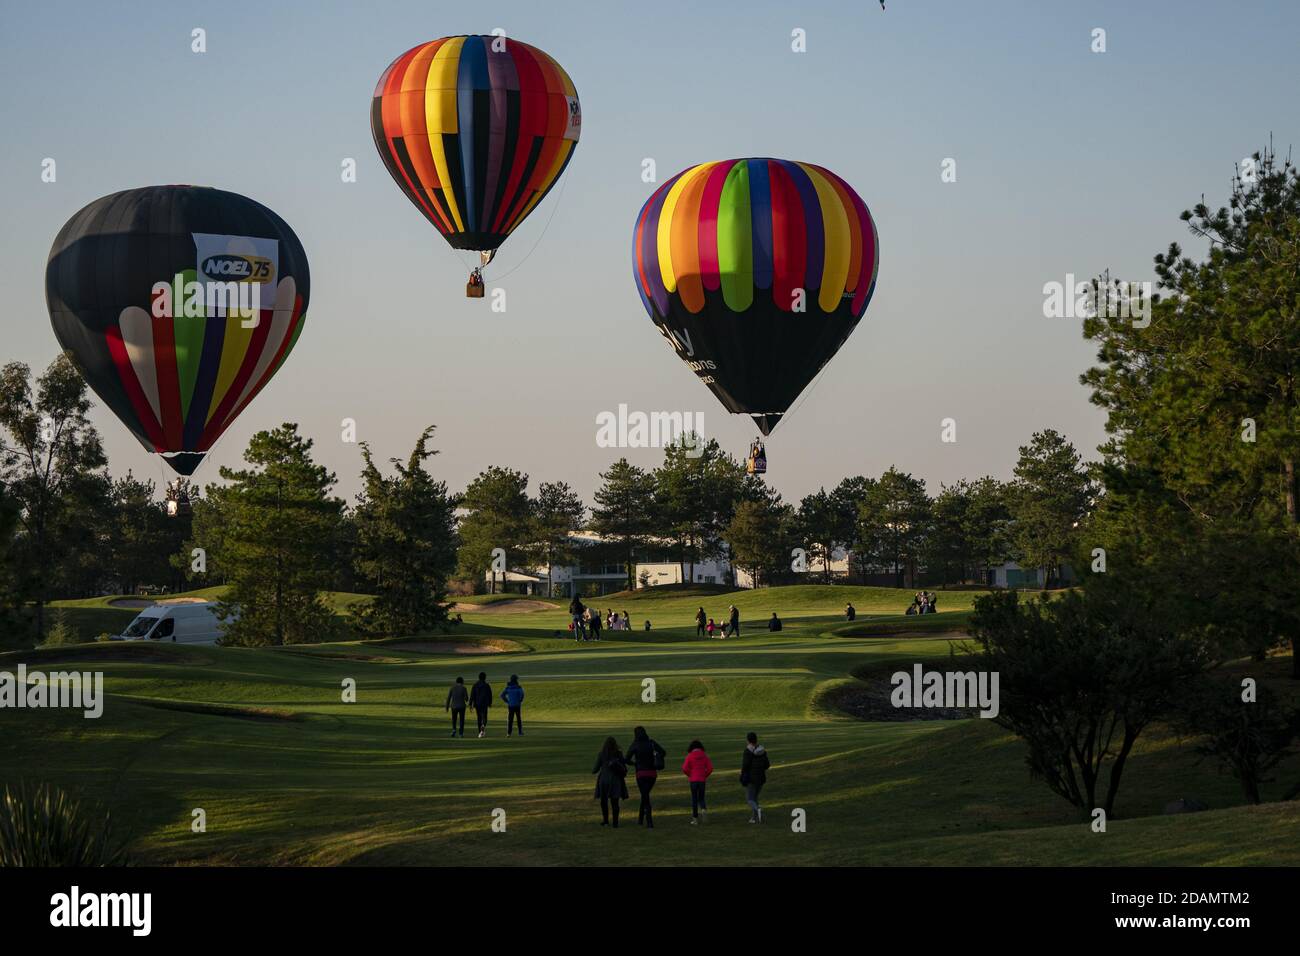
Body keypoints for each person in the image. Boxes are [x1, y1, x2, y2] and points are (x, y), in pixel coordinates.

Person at [623, 726, 667, 828]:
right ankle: (640, 819)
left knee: (645, 796)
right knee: (645, 795)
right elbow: (663, 752)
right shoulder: (651, 743)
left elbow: (626, 759)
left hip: (641, 773)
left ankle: (649, 822)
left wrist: (635, 764)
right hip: (652, 773)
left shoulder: (635, 744)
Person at [592, 736, 629, 827]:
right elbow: (624, 768)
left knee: (604, 802)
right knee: (615, 802)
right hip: (616, 780)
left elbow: (595, 769)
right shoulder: (618, 754)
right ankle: (615, 823)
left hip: (604, 780)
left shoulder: (602, 754)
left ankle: (605, 821)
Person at [740, 732, 771, 823]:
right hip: (761, 778)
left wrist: (742, 774)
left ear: (748, 740)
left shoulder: (748, 751)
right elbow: (767, 765)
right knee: (755, 798)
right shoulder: (763, 751)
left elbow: (745, 765)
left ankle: (758, 809)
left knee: (750, 799)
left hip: (751, 778)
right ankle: (754, 818)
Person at [682, 739, 714, 824]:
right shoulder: (704, 756)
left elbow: (684, 768)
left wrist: (690, 775)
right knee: (701, 798)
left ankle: (695, 819)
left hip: (693, 780)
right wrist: (705, 775)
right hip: (702, 780)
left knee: (694, 799)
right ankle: (703, 809)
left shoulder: (690, 756)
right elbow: (710, 768)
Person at [470, 671, 492, 737]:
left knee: (479, 718)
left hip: (477, 704)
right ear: (485, 678)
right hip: (484, 703)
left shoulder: (475, 685)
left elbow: (472, 695)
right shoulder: (487, 685)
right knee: (484, 717)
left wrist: (471, 704)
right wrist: (490, 703)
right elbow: (490, 695)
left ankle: (480, 732)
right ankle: (483, 726)